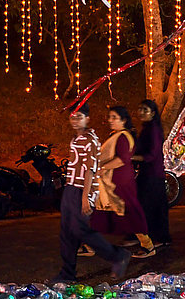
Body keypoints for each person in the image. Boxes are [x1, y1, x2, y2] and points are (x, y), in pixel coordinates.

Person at [52, 106, 131, 285]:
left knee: (81, 230)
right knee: (67, 231)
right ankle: (68, 272)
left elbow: (90, 169)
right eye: (72, 117)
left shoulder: (90, 140)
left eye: (79, 117)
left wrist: (85, 197)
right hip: (71, 188)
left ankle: (118, 256)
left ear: (87, 118)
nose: (75, 120)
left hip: (82, 189)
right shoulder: (76, 138)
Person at [88, 106, 155, 258]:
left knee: (129, 211)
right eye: (110, 117)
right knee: (101, 212)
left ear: (123, 120)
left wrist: (101, 168)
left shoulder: (123, 137)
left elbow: (122, 159)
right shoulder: (119, 135)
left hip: (119, 181)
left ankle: (148, 245)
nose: (110, 120)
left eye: (114, 117)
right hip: (113, 179)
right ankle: (90, 244)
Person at [132, 99, 171, 247]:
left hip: (153, 174)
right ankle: (151, 236)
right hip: (147, 173)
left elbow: (153, 154)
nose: (141, 112)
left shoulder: (153, 129)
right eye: (140, 109)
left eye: (145, 109)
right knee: (151, 205)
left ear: (153, 113)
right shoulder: (146, 128)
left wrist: (133, 157)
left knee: (152, 206)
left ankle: (157, 238)